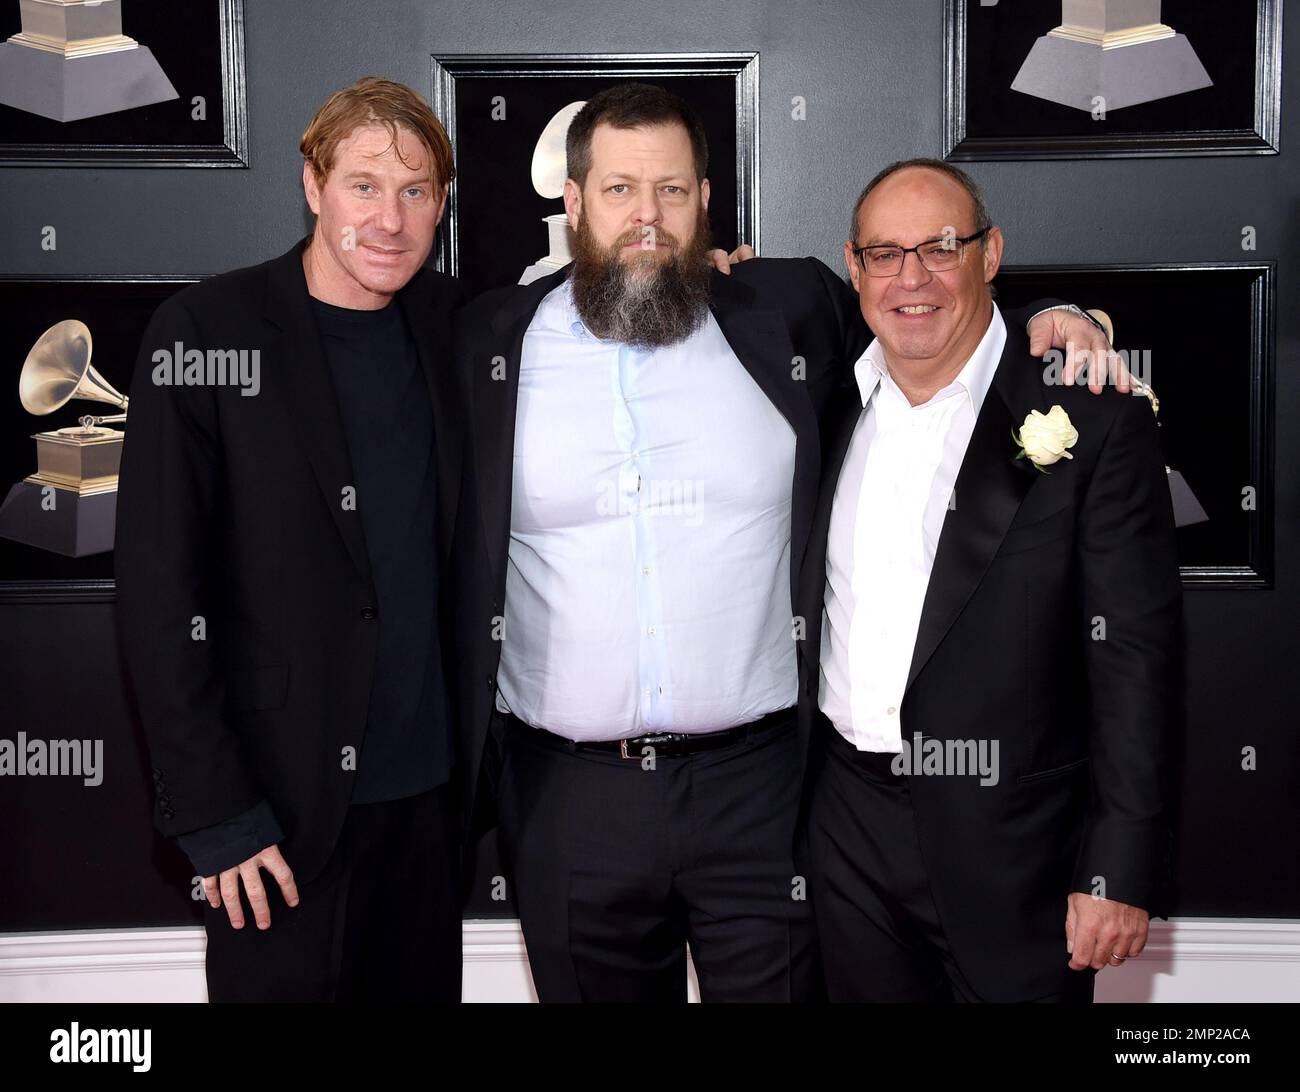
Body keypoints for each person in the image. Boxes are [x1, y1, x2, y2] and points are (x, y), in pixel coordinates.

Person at [449, 83, 1115, 1002]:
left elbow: (925, 302)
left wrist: (1059, 319)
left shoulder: (788, 306)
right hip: (566, 799)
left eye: (673, 191)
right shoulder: (486, 344)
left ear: (707, 201)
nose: (648, 216)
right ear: (572, 203)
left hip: (762, 794)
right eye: (619, 191)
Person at [799, 158, 1183, 1003]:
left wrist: (1119, 865)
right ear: (855, 267)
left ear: (990, 252)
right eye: (885, 253)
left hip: (1020, 849)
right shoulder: (822, 404)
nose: (913, 277)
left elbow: (1137, 662)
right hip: (842, 832)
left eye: (941, 247)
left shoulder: (1092, 419)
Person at [116, 77, 466, 1001]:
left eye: (415, 191)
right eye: (363, 186)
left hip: (428, 816)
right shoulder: (204, 331)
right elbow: (159, 594)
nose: (389, 219)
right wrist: (218, 815)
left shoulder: (458, 329)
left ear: (440, 203)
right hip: (271, 822)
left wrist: (715, 271)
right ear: (312, 186)